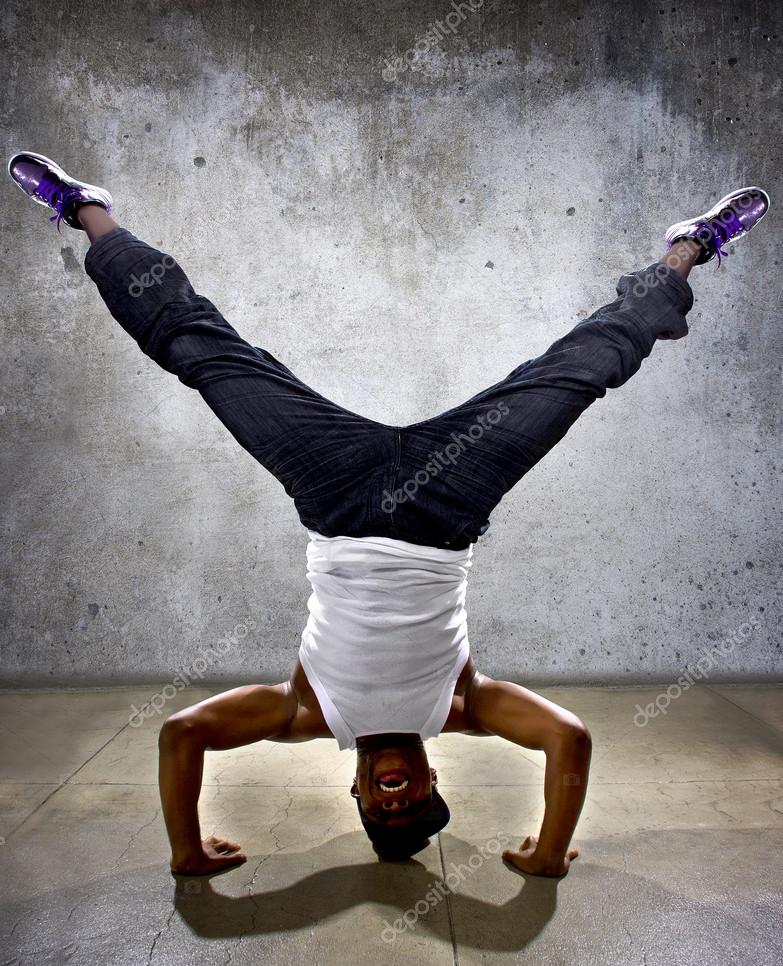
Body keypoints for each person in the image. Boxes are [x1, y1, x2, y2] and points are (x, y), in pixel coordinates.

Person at [8, 151, 770, 877]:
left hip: (335, 495)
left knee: (199, 348)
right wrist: (544, 854)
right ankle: (689, 246)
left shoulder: (306, 712)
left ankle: (87, 211)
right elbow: (567, 739)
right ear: (435, 775)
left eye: (381, 812)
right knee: (585, 363)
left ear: (357, 794)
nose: (395, 801)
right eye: (415, 808)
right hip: (449, 503)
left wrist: (184, 851)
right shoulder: (462, 706)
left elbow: (183, 735)